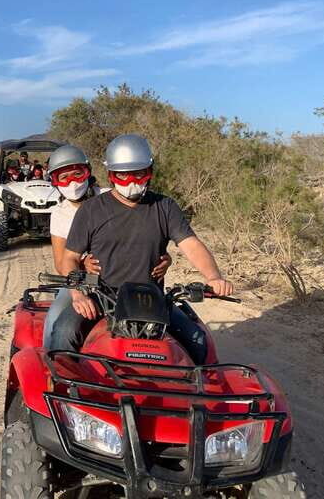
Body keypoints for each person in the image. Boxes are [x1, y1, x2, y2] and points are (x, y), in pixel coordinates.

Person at [50, 134, 234, 364]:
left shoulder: (165, 207)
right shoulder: (91, 210)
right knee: (64, 333)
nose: (131, 181)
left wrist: (214, 277)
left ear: (150, 171)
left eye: (139, 173)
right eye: (123, 175)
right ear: (111, 175)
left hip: (152, 300)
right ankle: (60, 391)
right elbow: (69, 258)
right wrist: (78, 293)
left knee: (198, 340)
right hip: (102, 296)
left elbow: (192, 244)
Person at [42, 144, 172, 347]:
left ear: (89, 172)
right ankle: (55, 372)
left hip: (127, 282)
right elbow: (62, 262)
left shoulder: (112, 196)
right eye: (64, 177)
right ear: (54, 181)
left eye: (78, 173)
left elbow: (143, 230)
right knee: (57, 324)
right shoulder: (59, 213)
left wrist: (165, 257)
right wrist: (82, 266)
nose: (73, 182)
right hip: (82, 282)